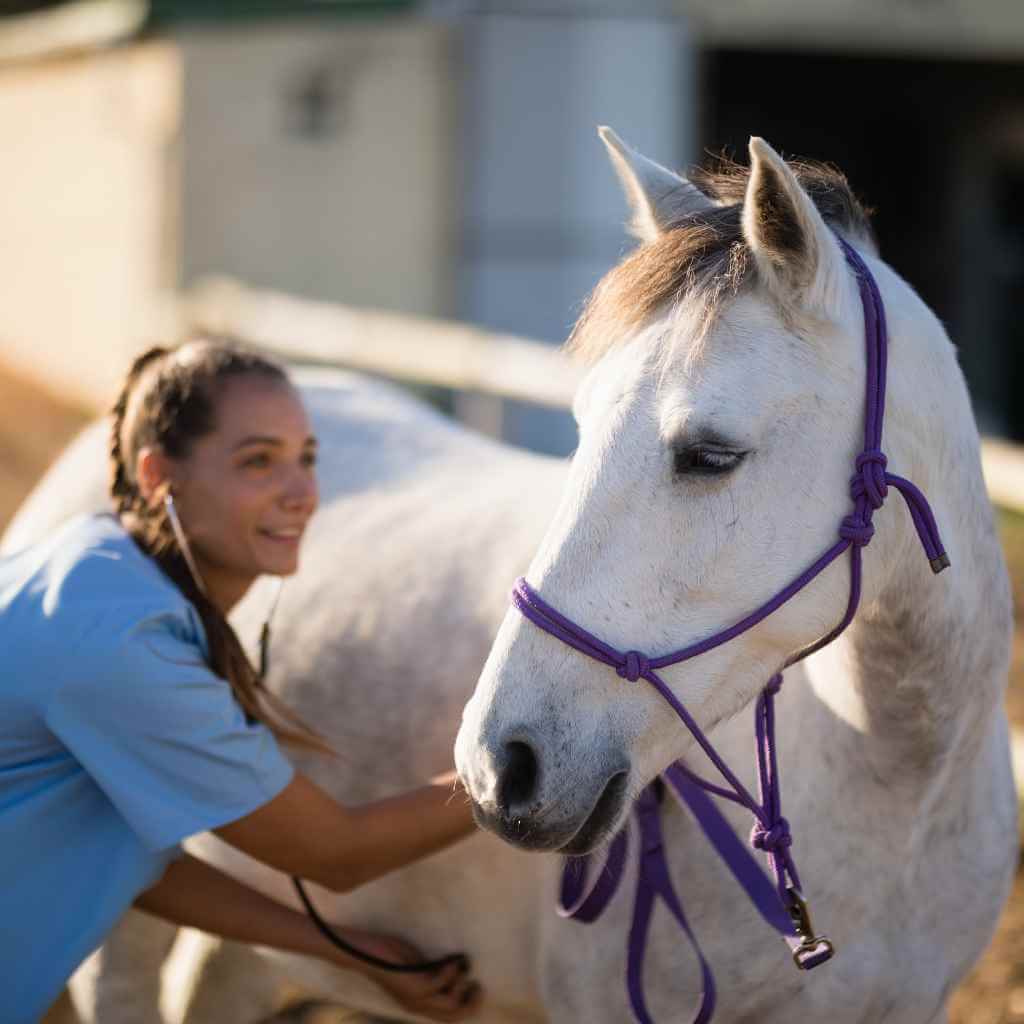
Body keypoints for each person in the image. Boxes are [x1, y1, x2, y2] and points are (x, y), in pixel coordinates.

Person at [0, 340, 482, 1023]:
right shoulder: (118, 643)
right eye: (259, 462)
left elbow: (134, 868)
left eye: (306, 459)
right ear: (159, 475)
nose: (301, 494)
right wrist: (518, 765)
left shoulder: (101, 572)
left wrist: (344, 948)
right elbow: (335, 852)